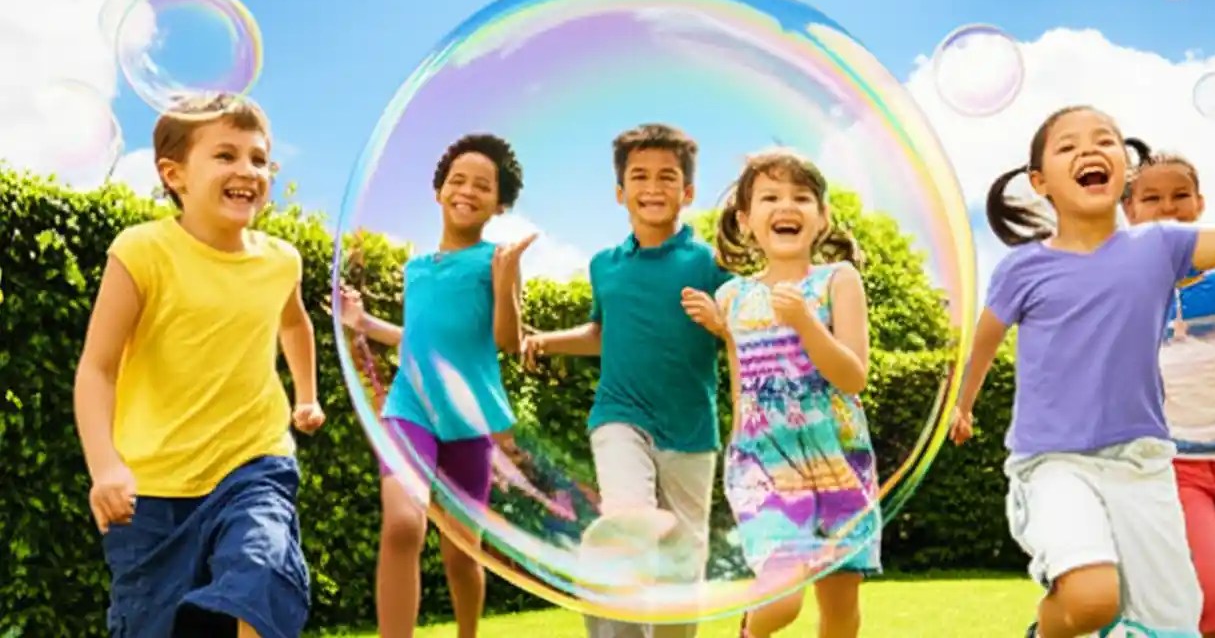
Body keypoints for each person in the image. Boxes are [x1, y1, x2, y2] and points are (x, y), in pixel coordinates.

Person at [949, 103, 1215, 638]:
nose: (1089, 149)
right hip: (1053, 462)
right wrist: (963, 403)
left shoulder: (1161, 245)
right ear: (1040, 182)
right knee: (1092, 599)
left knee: (1173, 628)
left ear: (1125, 169)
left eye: (1105, 139)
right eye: (1068, 146)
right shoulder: (1023, 269)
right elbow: (985, 342)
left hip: (1143, 466)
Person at [74, 92, 324, 638]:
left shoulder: (282, 260)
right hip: (152, 490)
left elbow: (295, 324)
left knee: (263, 570)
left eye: (259, 159)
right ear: (174, 174)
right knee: (152, 626)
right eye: (226, 155)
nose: (248, 171)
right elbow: (97, 369)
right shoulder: (141, 252)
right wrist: (106, 467)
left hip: (253, 465)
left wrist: (306, 395)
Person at [521, 123, 731, 638]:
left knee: (684, 562)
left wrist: (724, 323)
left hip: (691, 427)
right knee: (627, 522)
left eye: (667, 177)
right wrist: (548, 340)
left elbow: (744, 327)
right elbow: (602, 332)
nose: (653, 187)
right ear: (620, 192)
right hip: (620, 415)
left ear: (688, 192)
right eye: (639, 176)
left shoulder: (709, 262)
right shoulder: (605, 266)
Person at [337, 133, 532, 638]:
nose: (467, 190)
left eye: (482, 185)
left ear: (499, 202)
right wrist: (364, 322)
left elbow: (507, 341)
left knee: (462, 553)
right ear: (439, 190)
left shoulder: (496, 260)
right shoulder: (417, 268)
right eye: (457, 180)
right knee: (404, 525)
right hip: (410, 408)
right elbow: (420, 340)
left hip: (469, 418)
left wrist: (507, 279)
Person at [700, 148, 879, 638]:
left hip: (837, 457)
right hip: (766, 462)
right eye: (770, 196)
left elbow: (853, 376)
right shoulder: (732, 297)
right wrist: (739, 446)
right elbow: (742, 387)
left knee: (840, 604)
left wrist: (803, 320)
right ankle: (749, 631)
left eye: (802, 197)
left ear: (821, 218)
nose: (787, 206)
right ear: (746, 219)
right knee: (782, 595)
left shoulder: (838, 281)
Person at [1123, 140, 1215, 638]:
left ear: (1200, 203)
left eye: (1180, 195)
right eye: (1152, 198)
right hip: (1177, 462)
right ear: (1129, 212)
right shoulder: (1126, 288)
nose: (1168, 207)